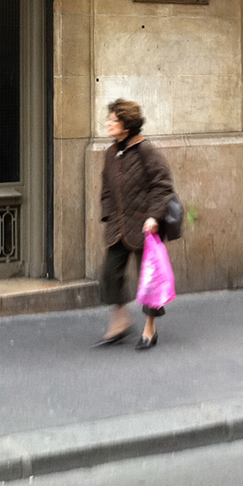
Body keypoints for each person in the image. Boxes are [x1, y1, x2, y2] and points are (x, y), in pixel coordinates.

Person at [96, 98, 177, 350]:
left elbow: (163, 186)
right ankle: (120, 321)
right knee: (110, 274)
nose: (109, 123)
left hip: (145, 227)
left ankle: (150, 328)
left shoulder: (146, 151)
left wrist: (154, 216)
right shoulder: (111, 153)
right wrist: (108, 214)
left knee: (150, 280)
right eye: (109, 119)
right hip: (119, 227)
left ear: (127, 125)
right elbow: (107, 189)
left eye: (114, 120)